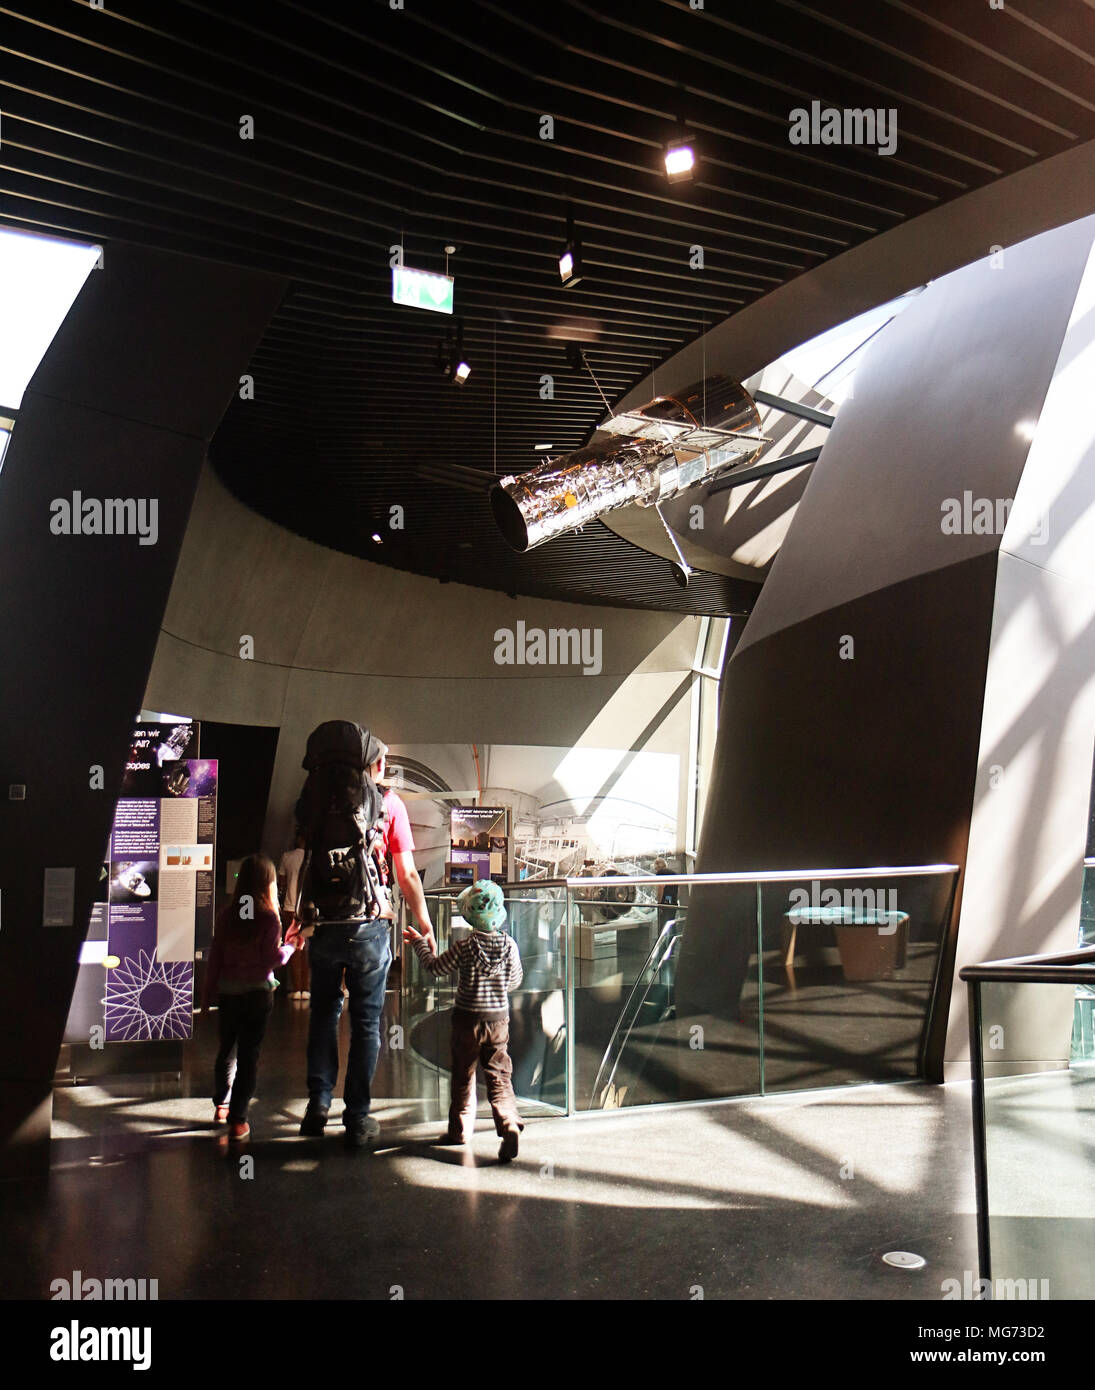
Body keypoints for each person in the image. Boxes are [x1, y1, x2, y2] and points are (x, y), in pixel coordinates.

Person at [298, 729, 436, 1149]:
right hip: (369, 927)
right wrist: (424, 921)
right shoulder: (389, 804)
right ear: (373, 763)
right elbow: (407, 873)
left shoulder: (318, 800)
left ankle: (317, 1105)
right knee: (365, 1023)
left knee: (323, 1015)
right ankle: (357, 1117)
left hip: (323, 925)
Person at [404, 879, 524, 1162]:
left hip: (466, 1020)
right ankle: (508, 1123)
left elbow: (435, 968)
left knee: (462, 1075)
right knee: (499, 1076)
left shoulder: (465, 946)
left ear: (469, 914)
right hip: (497, 1021)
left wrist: (420, 945)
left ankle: (458, 1131)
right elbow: (515, 981)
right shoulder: (509, 946)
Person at [204, 854, 300, 1143]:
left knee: (226, 1050)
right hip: (257, 996)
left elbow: (215, 960)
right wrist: (292, 946)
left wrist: (207, 995)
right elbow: (272, 959)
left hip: (229, 994)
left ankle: (222, 1104)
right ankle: (238, 1120)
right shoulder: (269, 918)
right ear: (267, 883)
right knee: (249, 1057)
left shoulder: (226, 917)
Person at [277, 826, 310, 998]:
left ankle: (297, 988)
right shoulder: (312, 858)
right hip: (309, 909)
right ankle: (307, 988)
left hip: (290, 908)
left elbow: (281, 884)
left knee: (293, 947)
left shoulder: (287, 857)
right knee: (308, 949)